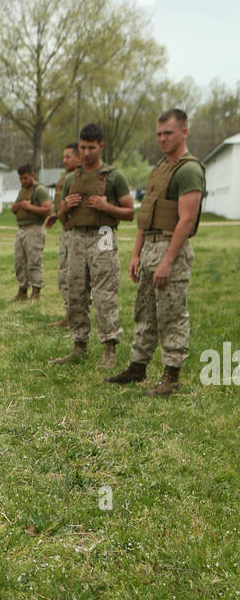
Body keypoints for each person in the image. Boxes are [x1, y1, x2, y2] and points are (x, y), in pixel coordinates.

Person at [107, 108, 206, 396]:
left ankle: (171, 377)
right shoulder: (160, 168)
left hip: (169, 249)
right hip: (149, 247)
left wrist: (168, 261)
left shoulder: (188, 170)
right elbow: (146, 216)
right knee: (145, 312)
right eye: (159, 134)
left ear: (184, 132)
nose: (162, 139)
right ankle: (138, 367)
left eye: (168, 133)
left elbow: (186, 220)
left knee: (172, 315)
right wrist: (137, 254)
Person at [51, 123, 134, 370]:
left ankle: (110, 347)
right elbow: (63, 220)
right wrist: (65, 207)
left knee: (104, 294)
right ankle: (79, 344)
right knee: (75, 291)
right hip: (76, 236)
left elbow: (130, 213)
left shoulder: (114, 177)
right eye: (83, 147)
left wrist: (107, 208)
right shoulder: (71, 179)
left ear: (101, 146)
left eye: (91, 148)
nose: (86, 153)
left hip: (103, 235)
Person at [44, 142, 80, 329]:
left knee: (74, 276)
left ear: (78, 157)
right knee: (63, 275)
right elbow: (64, 203)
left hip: (77, 232)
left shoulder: (81, 177)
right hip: (65, 230)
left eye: (68, 157)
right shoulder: (66, 177)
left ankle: (76, 317)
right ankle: (70, 315)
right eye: (63, 156)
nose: (64, 160)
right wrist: (56, 215)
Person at [10, 164, 51, 301]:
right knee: (20, 262)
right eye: (21, 179)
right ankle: (22, 291)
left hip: (34, 229)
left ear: (32, 175)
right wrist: (17, 206)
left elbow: (47, 209)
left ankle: (36, 291)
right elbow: (15, 208)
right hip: (21, 229)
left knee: (34, 261)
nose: (23, 181)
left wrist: (29, 207)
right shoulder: (23, 190)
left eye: (25, 178)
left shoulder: (39, 190)